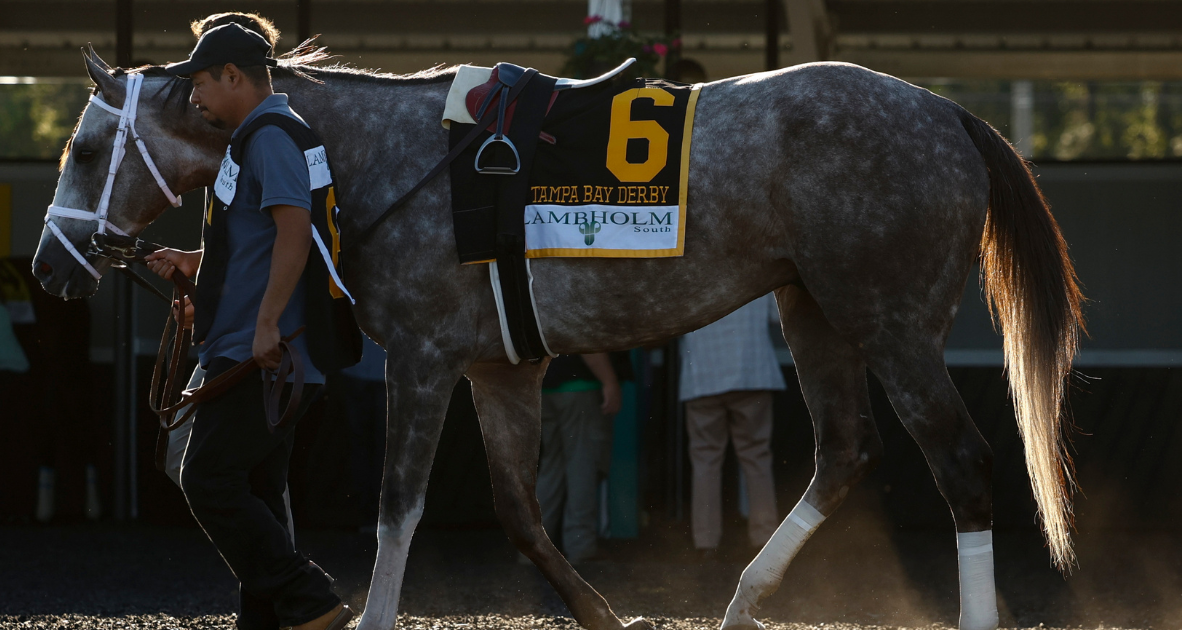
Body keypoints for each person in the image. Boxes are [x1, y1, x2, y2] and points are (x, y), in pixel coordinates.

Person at [145, 22, 354, 630]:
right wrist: (198, 270)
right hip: (259, 350)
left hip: (261, 353)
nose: (195, 97)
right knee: (256, 498)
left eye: (201, 83)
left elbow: (295, 230)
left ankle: (311, 599)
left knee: (207, 479)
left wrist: (264, 325)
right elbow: (260, 243)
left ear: (233, 75)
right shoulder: (260, 138)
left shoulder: (268, 136)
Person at [678, 294, 786, 556]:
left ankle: (706, 543)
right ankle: (763, 538)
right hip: (753, 372)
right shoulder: (757, 266)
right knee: (756, 457)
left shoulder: (691, 274)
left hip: (702, 376)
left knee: (705, 461)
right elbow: (778, 315)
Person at [536, 353, 621, 565]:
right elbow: (588, 346)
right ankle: (580, 546)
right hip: (579, 388)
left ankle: (534, 547)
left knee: (551, 469)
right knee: (582, 464)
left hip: (545, 387)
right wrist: (609, 381)